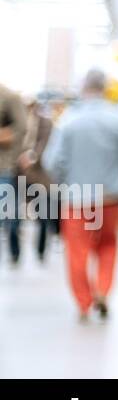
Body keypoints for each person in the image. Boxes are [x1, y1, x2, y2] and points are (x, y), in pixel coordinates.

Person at [43, 70, 118, 321]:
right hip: (109, 199)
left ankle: (84, 302)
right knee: (108, 245)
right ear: (105, 88)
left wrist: (62, 185)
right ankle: (103, 289)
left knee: (77, 251)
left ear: (83, 87)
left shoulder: (69, 121)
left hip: (76, 200)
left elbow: (53, 161)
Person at [16, 99, 58, 263]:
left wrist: (32, 157)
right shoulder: (17, 121)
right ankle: (15, 251)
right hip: (18, 175)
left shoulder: (46, 123)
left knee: (43, 215)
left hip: (40, 177)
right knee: (13, 215)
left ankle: (41, 248)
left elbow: (44, 144)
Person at [0, 80, 30, 265]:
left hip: (5, 167)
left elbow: (22, 128)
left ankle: (14, 250)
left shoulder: (9, 97)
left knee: (9, 217)